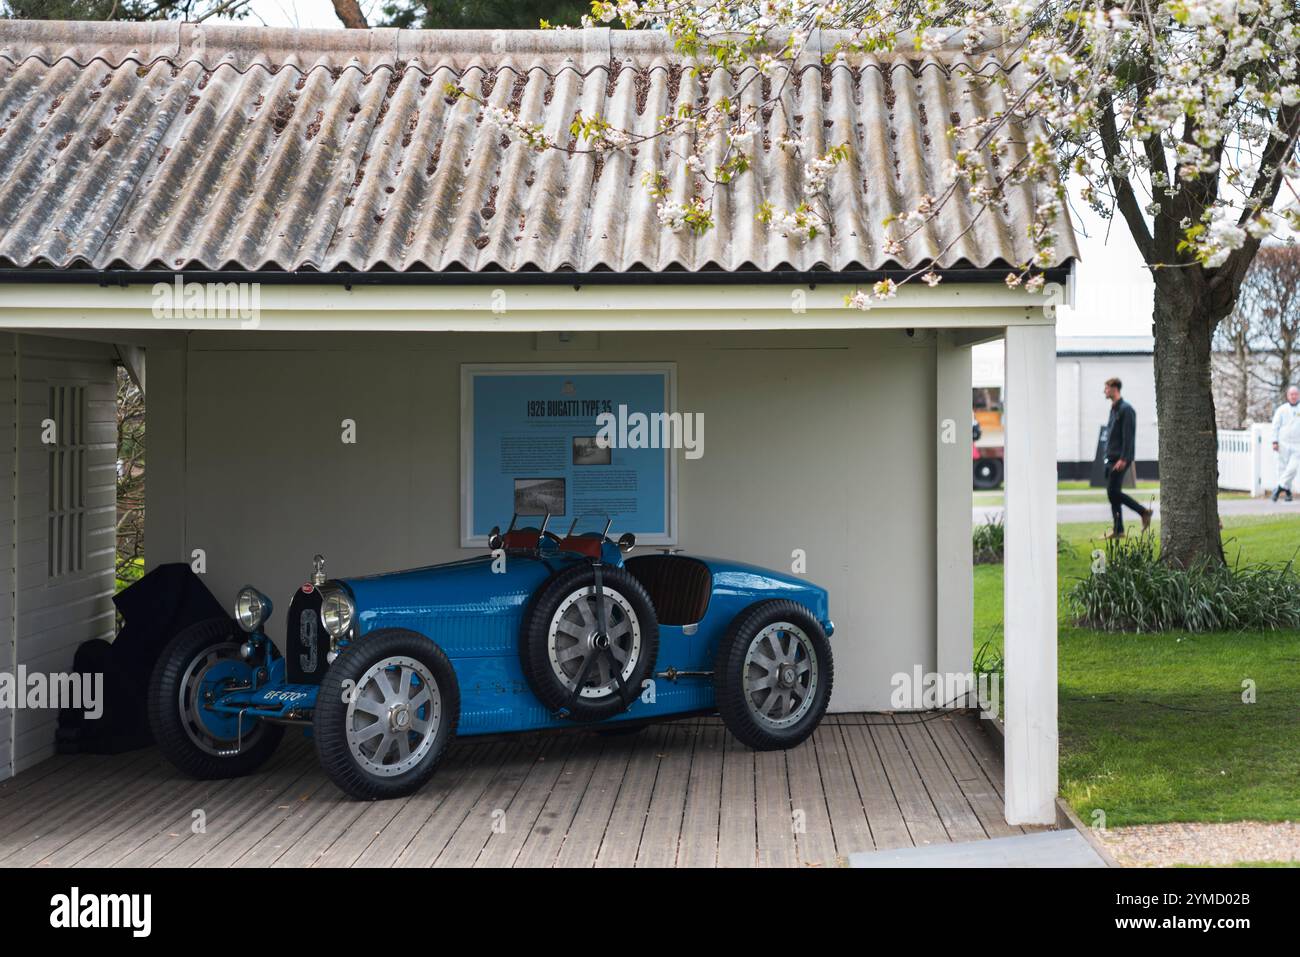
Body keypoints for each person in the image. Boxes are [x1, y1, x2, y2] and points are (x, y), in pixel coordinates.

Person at [1102, 377, 1152, 538]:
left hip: (1120, 459)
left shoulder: (1126, 409)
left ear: (1115, 388)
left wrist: (1123, 458)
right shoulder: (1114, 409)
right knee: (1113, 493)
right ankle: (1119, 530)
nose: (1105, 391)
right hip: (1111, 458)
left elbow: (1128, 436)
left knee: (1113, 492)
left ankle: (1143, 511)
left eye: (1107, 387)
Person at [1272, 385, 1300, 503]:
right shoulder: (1282, 409)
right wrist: (1275, 441)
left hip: (1297, 444)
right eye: (1291, 394)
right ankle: (1288, 493)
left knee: (1292, 468)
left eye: (1296, 394)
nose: (1294, 396)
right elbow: (1275, 426)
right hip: (1283, 443)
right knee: (1282, 468)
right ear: (1288, 396)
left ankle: (1279, 488)